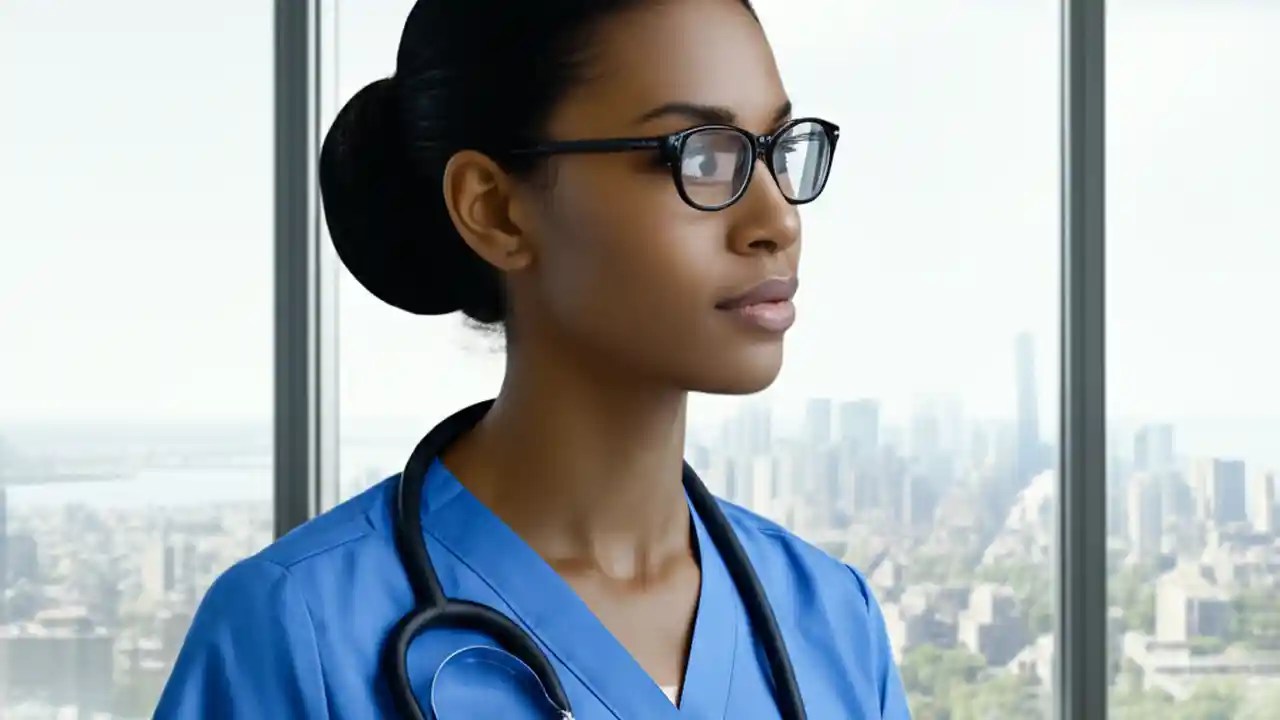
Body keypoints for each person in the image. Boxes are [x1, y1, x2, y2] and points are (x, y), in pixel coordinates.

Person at [156, 0, 910, 717]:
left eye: (779, 149)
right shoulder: (298, 632)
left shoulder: (832, 620)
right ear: (495, 209)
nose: (777, 217)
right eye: (701, 156)